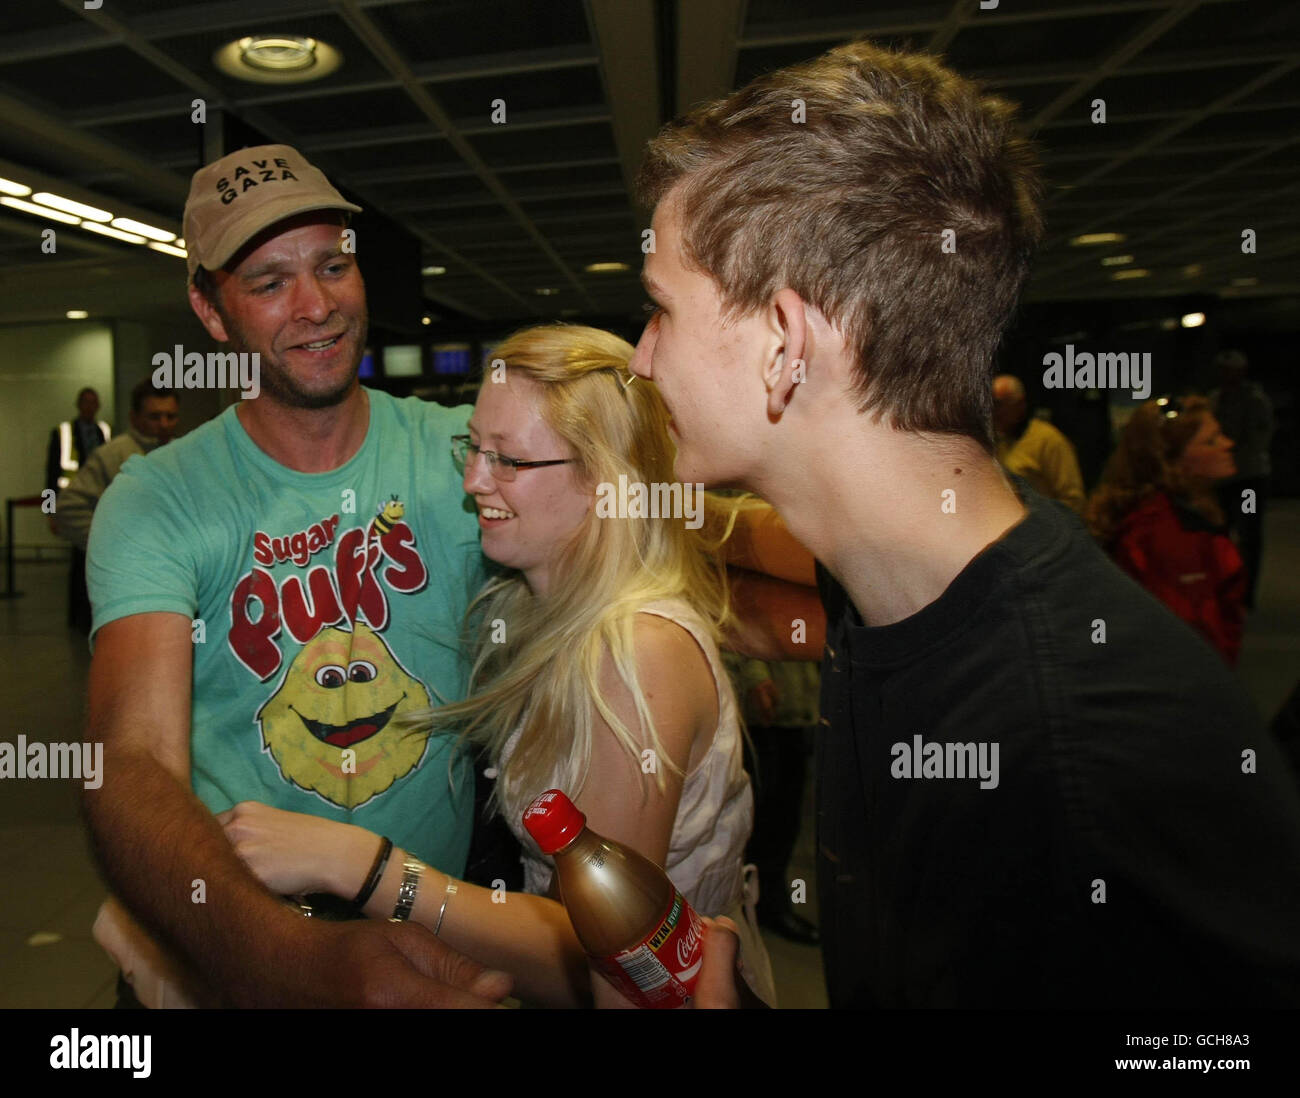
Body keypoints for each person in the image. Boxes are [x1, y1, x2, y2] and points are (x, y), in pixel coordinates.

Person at [629, 39, 1300, 1007]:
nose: (643, 360)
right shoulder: (897, 580)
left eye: (659, 312)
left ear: (785, 343)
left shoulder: (1074, 759)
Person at [216, 325, 777, 1008]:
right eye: (473, 447)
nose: (473, 480)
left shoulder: (631, 656)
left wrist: (361, 868)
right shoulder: (539, 607)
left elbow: (605, 960)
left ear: (606, 482)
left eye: (508, 460)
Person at [82, 143, 512, 1009]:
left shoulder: (463, 453)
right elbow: (129, 764)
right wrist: (298, 967)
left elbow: (639, 553)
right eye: (269, 282)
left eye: (332, 265)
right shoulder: (158, 499)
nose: (315, 307)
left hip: (443, 927)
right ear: (210, 310)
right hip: (236, 943)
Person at [1086, 396, 1246, 666]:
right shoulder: (1166, 534)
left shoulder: (1185, 515)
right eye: (1211, 440)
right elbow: (1187, 640)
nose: (1228, 444)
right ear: (1173, 459)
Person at [732, 657, 820, 944]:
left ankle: (768, 904)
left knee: (784, 817)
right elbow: (739, 621)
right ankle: (747, 908)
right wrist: (755, 677)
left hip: (794, 713)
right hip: (761, 720)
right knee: (759, 819)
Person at [56, 380, 180, 552]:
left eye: (170, 416)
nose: (164, 424)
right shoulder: (112, 455)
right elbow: (68, 508)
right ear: (134, 418)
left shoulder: (184, 454)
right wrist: (116, 545)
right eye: (154, 417)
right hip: (129, 567)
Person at [1211, 349, 1274, 609]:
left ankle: (1246, 592)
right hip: (1223, 479)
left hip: (1248, 478)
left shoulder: (1254, 399)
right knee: (1220, 532)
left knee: (1248, 533)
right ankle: (1224, 588)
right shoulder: (1215, 399)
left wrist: (1237, 453)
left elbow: (1260, 435)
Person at [47, 386, 111, 630]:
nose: (89, 406)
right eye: (85, 402)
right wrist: (50, 511)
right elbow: (51, 475)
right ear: (78, 404)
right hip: (73, 506)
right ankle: (77, 618)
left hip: (99, 503)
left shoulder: (104, 431)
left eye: (94, 402)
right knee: (78, 562)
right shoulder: (63, 433)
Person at [992, 375, 1086, 512]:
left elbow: (1074, 500)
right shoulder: (995, 441)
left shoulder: (1048, 440)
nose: (993, 412)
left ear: (1020, 404)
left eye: (999, 404)